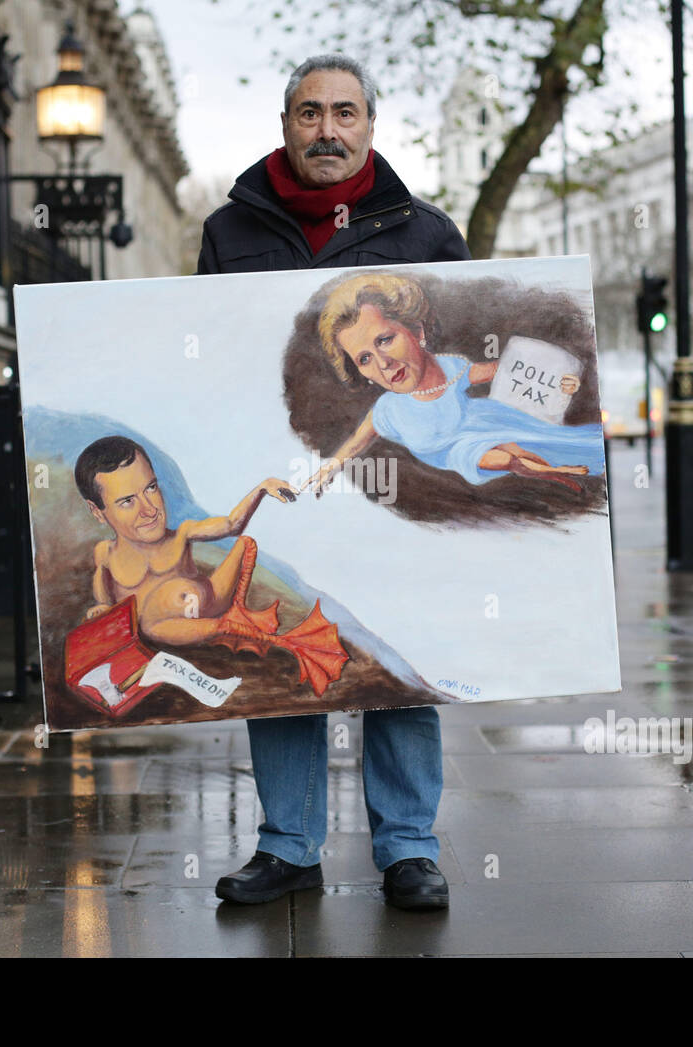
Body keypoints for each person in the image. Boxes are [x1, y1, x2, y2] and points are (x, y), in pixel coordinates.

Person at [196, 54, 470, 910]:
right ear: (286, 125)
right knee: (285, 644)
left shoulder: (427, 235)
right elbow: (203, 347)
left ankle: (409, 849)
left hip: (396, 487)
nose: (328, 129)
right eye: (310, 113)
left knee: (397, 656)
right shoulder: (229, 232)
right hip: (284, 477)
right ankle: (288, 846)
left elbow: (454, 362)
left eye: (344, 113)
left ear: (370, 126)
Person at [74, 436, 347, 695]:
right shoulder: (105, 554)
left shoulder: (182, 534)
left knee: (246, 544)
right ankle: (234, 626)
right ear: (97, 511)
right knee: (152, 624)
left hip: (212, 602)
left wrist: (261, 489)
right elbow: (104, 599)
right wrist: (101, 607)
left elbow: (231, 526)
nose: (149, 509)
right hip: (162, 627)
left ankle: (240, 616)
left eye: (151, 488)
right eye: (127, 501)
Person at [305, 272, 604, 496]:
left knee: (513, 449)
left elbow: (504, 370)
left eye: (385, 340)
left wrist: (558, 380)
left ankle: (556, 470)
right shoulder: (388, 410)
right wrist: (330, 467)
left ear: (416, 330)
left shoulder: (452, 370)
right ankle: (555, 473)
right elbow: (357, 441)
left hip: (479, 428)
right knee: (500, 459)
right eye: (365, 359)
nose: (383, 363)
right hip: (458, 453)